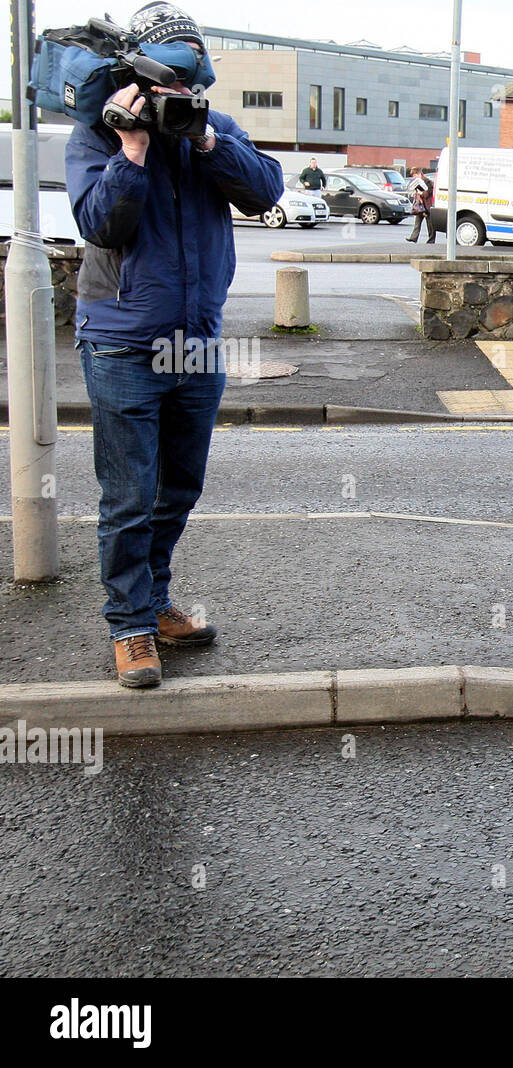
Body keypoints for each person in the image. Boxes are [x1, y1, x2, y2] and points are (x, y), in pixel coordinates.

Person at [66, 2, 283, 687]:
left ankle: (153, 603)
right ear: (140, 80)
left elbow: (266, 191)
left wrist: (207, 142)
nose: (177, 101)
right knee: (128, 497)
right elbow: (101, 226)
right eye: (166, 88)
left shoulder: (210, 128)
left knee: (178, 488)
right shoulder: (98, 137)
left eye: (188, 87)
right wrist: (131, 150)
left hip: (198, 345)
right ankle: (129, 626)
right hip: (123, 344)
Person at [405, 167, 435, 243]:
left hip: (427, 206)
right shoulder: (417, 182)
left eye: (414, 175)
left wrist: (421, 193)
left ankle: (431, 240)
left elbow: (429, 193)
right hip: (420, 206)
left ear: (419, 174)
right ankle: (413, 238)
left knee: (430, 225)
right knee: (417, 223)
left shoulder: (428, 182)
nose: (413, 177)